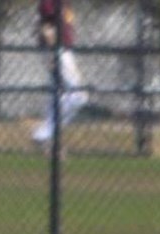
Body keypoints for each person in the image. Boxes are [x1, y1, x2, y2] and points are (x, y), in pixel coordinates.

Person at [31, 0, 91, 151]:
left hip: (63, 49)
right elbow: (46, 25)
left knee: (59, 96)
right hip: (57, 50)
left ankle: (47, 138)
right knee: (80, 96)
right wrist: (52, 52)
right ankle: (44, 133)